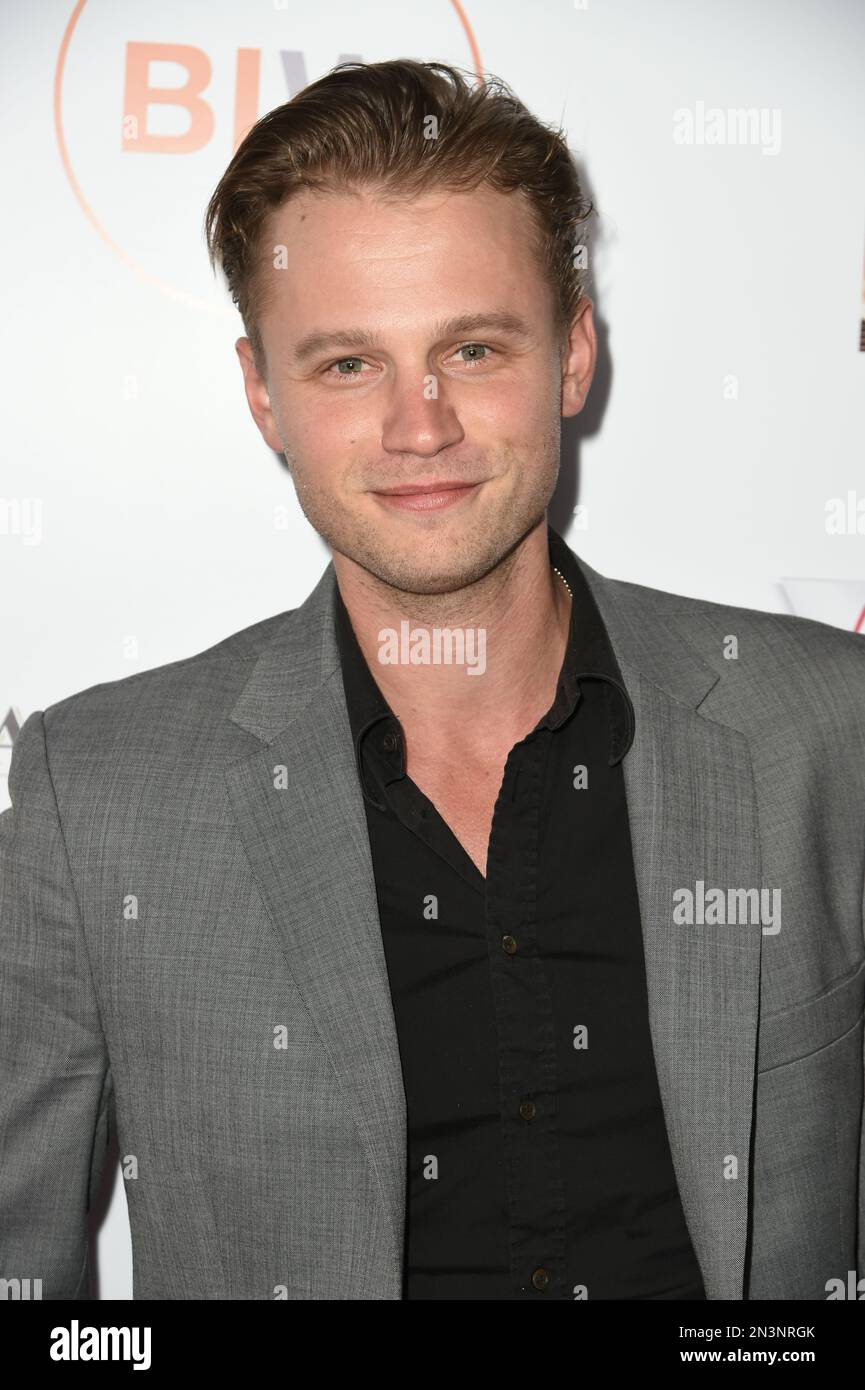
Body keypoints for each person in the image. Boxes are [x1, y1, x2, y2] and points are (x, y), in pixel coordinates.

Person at [1, 59, 863, 1302]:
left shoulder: (825, 731)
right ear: (262, 396)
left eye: (470, 346)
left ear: (572, 355)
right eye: (348, 364)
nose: (420, 425)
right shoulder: (98, 798)